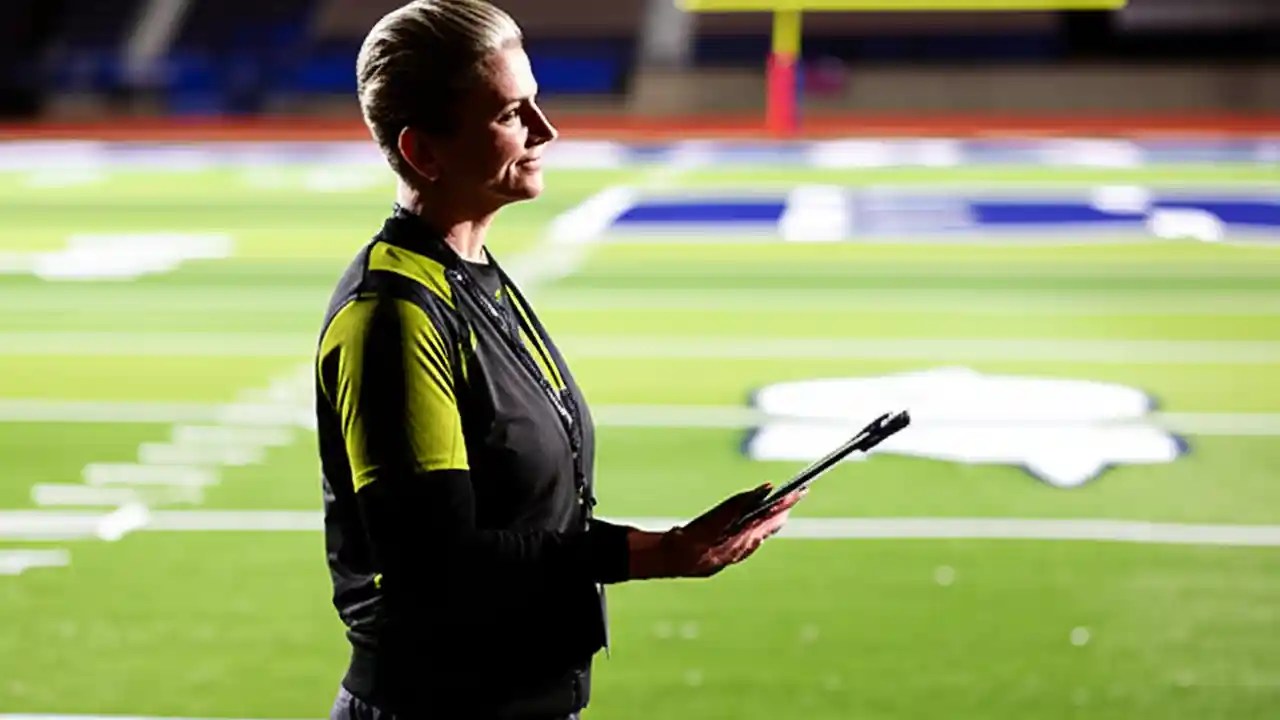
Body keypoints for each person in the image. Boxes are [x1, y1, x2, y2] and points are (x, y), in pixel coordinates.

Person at [313, 1, 803, 717]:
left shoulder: (471, 274)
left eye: (536, 102)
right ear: (424, 151)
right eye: (513, 114)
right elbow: (437, 563)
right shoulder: (392, 316)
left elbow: (531, 522)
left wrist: (671, 544)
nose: (547, 131)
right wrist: (657, 556)